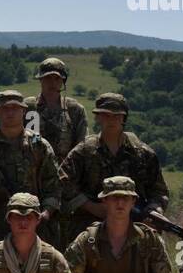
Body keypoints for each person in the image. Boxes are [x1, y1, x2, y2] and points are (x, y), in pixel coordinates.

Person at [0, 90, 61, 253]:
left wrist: (45, 214)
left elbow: (54, 185)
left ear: (23, 111)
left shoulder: (38, 145)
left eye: (15, 108)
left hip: (30, 225)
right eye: (5, 108)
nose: (10, 112)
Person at [59, 93, 169, 236]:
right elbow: (63, 180)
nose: (111, 120)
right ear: (97, 117)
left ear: (124, 118)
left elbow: (158, 191)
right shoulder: (85, 150)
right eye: (105, 115)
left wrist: (154, 210)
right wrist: (90, 206)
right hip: (90, 228)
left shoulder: (142, 153)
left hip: (134, 229)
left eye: (116, 116)